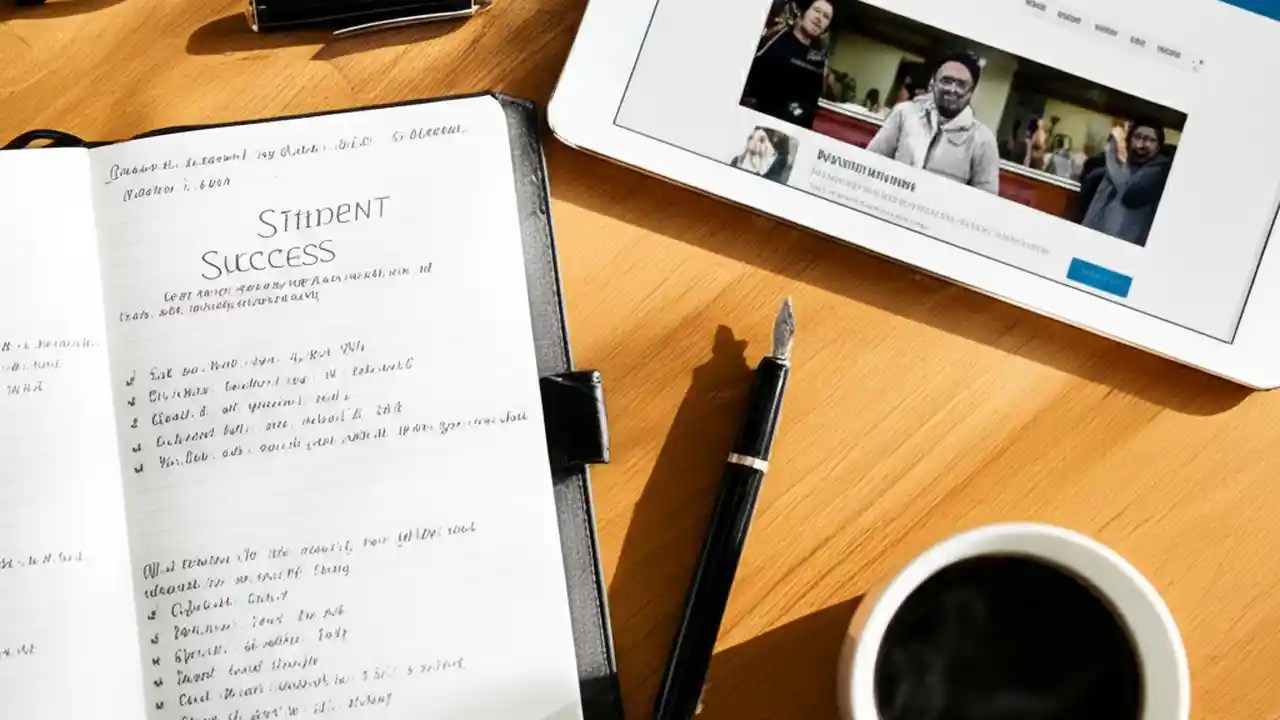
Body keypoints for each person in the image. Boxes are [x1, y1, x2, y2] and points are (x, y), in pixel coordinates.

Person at [866, 50, 1000, 194]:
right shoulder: (904, 114)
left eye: (961, 84)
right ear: (932, 82)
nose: (952, 89)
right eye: (946, 81)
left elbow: (985, 200)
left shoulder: (983, 140)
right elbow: (871, 161)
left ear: (971, 92)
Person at [741, 0, 836, 129]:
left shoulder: (819, 60)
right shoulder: (774, 38)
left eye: (826, 17)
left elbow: (811, 102)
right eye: (816, 11)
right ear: (804, 12)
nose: (819, 18)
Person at [1080, 117, 1172, 246]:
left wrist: (1113, 151)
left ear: (1158, 146)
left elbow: (1127, 190)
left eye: (1150, 140)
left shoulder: (1158, 171)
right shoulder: (1119, 164)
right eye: (1137, 137)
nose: (1141, 144)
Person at [729, 127, 793, 182]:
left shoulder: (777, 173)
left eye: (761, 140)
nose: (753, 143)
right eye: (751, 138)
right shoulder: (737, 160)